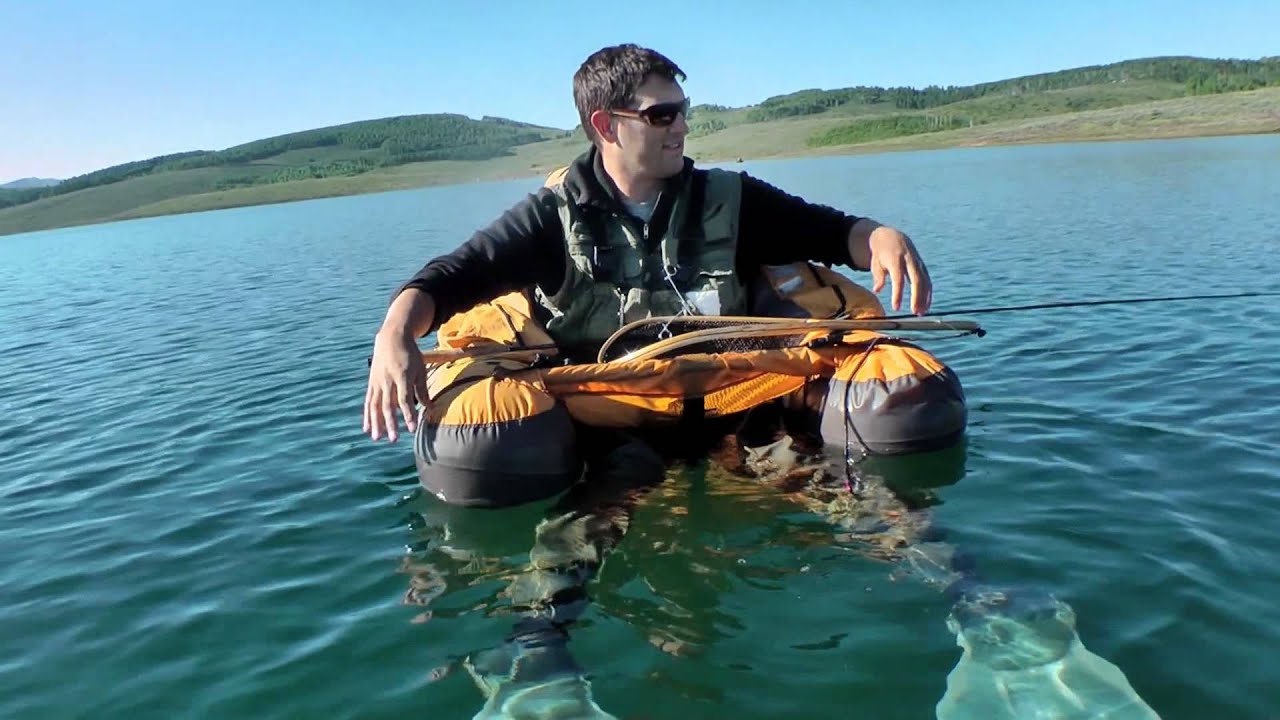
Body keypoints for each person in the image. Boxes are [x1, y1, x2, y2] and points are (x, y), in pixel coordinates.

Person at [362, 43, 933, 445]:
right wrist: (395, 332)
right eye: (661, 115)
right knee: (582, 537)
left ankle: (934, 568)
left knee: (848, 493)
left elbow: (833, 232)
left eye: (682, 111)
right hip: (609, 428)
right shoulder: (550, 218)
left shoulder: (732, 200)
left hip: (736, 408)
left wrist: (881, 236)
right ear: (606, 126)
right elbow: (453, 276)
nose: (681, 127)